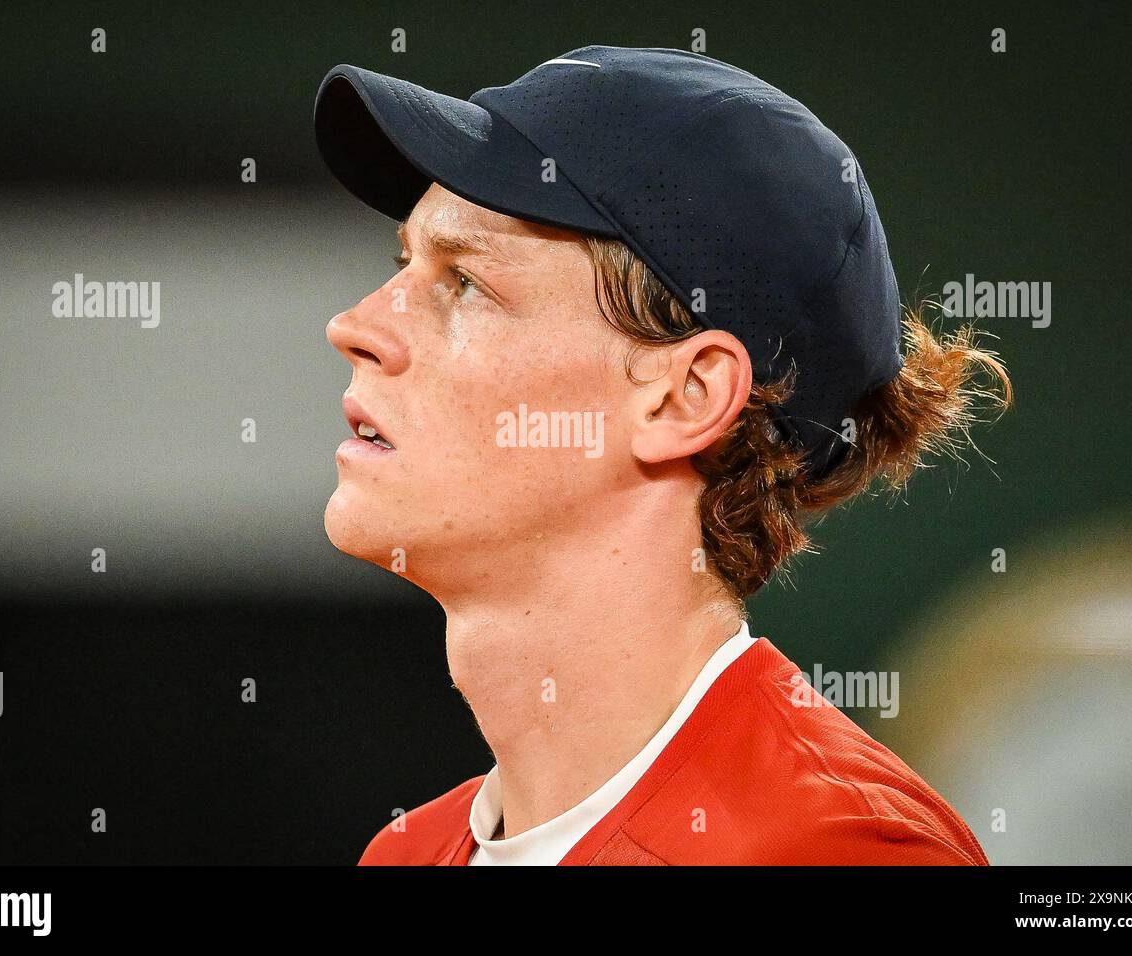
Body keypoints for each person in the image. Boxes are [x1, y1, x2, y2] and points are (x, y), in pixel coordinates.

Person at [313, 45, 1010, 865]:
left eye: (466, 282)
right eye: (405, 262)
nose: (355, 325)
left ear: (687, 397)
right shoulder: (404, 853)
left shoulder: (840, 851)